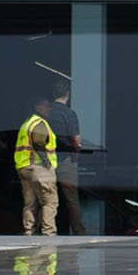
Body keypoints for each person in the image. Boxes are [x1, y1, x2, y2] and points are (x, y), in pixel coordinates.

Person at [43, 79, 86, 235]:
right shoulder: (69, 114)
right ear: (67, 94)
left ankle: (45, 230)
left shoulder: (45, 112)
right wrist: (76, 157)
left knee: (46, 197)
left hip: (45, 161)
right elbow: (76, 141)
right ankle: (79, 232)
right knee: (71, 199)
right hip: (65, 159)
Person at [14, 97, 59, 236]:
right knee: (50, 202)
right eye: (46, 106)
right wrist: (46, 161)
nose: (49, 109)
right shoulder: (40, 123)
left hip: (24, 167)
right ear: (38, 107)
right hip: (39, 167)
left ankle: (29, 231)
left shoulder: (26, 123)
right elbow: (38, 141)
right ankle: (49, 234)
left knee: (30, 203)